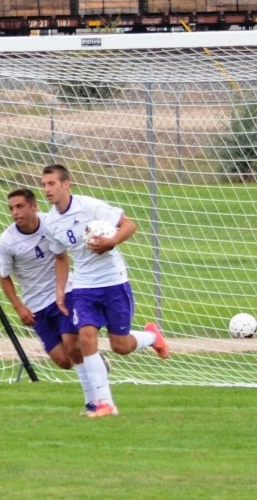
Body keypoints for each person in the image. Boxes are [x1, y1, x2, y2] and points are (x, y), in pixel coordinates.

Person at [40, 164, 169, 418]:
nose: (46, 190)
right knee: (86, 336)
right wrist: (60, 290)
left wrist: (111, 241)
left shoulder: (89, 207)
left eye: (51, 184)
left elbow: (129, 225)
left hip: (113, 282)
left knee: (120, 345)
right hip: (84, 286)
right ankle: (104, 403)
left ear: (66, 184)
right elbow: (61, 258)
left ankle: (152, 337)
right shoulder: (51, 222)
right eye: (43, 185)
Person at [0, 188, 104, 414]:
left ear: (34, 206)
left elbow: (63, 254)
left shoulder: (51, 224)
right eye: (11, 208)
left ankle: (92, 402)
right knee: (64, 361)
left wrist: (61, 290)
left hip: (65, 293)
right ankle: (95, 358)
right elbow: (3, 277)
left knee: (73, 345)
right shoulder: (7, 242)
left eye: (20, 206)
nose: (15, 212)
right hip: (36, 305)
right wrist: (19, 307)